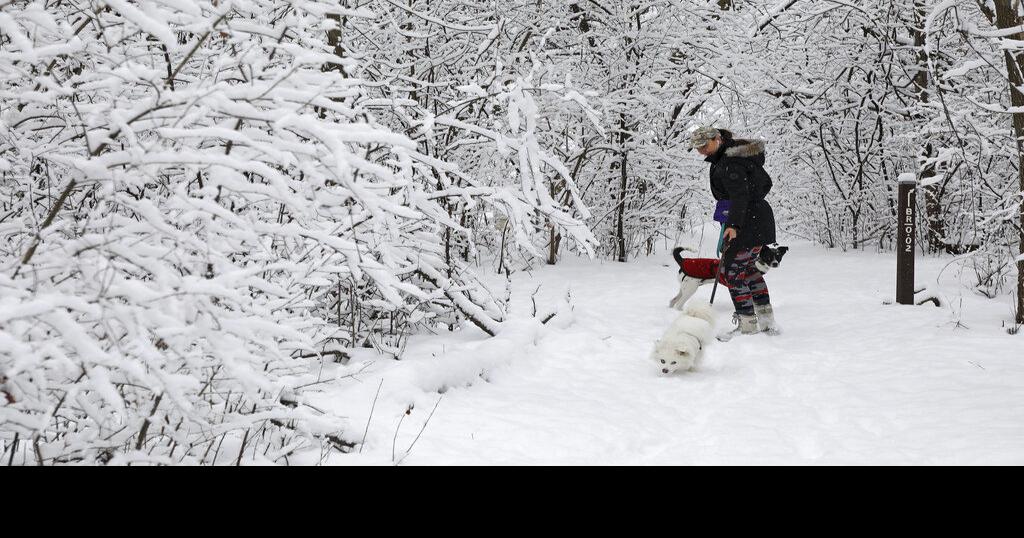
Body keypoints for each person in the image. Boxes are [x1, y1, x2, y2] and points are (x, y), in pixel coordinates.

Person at [689, 126, 779, 338]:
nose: (700, 150)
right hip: (755, 219)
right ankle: (766, 321)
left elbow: (740, 196)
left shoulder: (731, 163)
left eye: (704, 145)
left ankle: (747, 324)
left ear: (717, 139)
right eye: (697, 147)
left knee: (733, 272)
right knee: (749, 270)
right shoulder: (730, 157)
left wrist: (733, 225)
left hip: (748, 222)